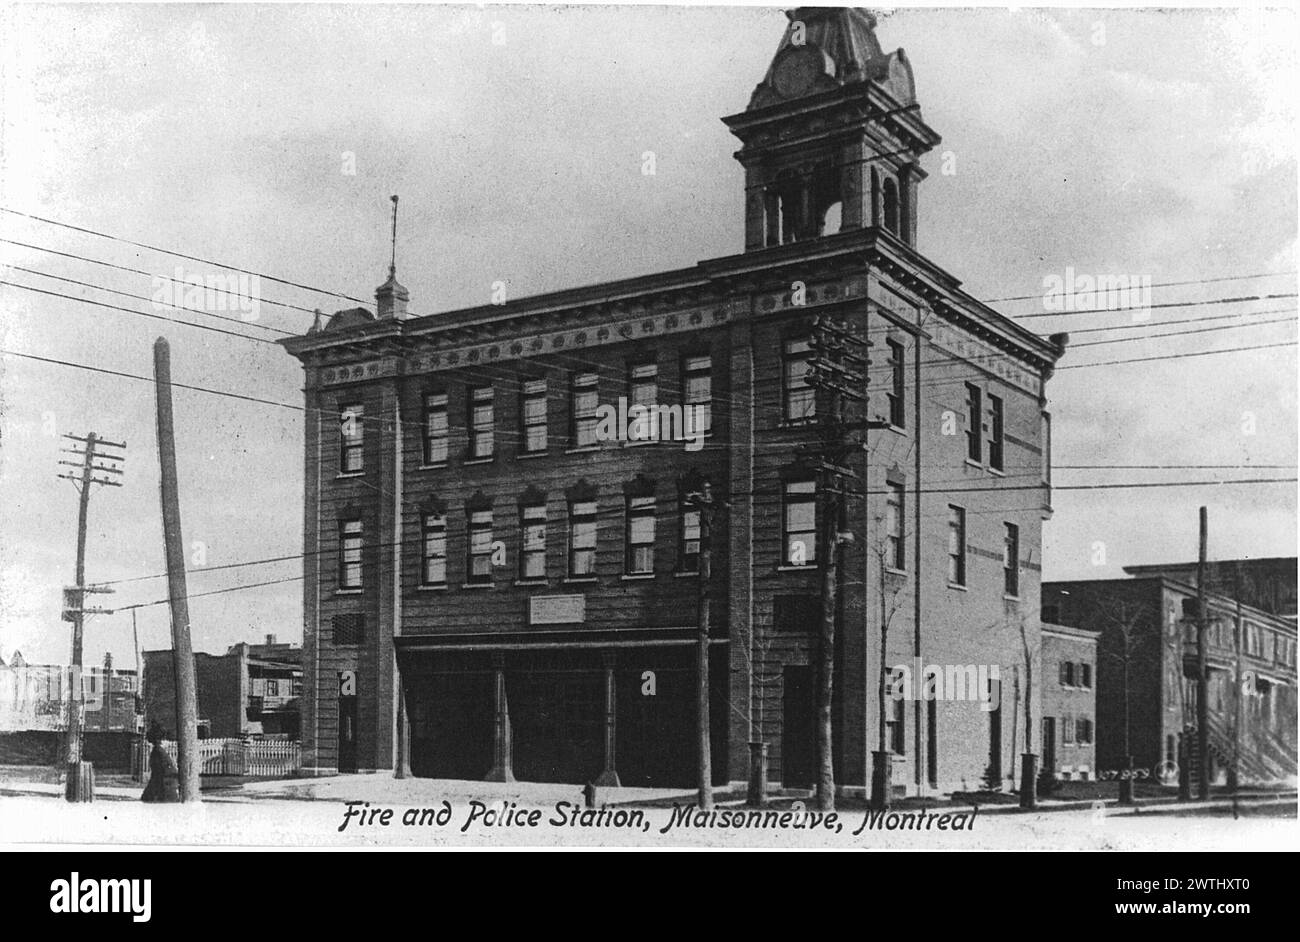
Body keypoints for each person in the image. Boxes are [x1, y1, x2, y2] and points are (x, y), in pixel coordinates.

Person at [141, 722, 180, 803]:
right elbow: (165, 771)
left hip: (161, 786)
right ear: (162, 739)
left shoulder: (157, 751)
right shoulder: (159, 752)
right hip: (165, 788)